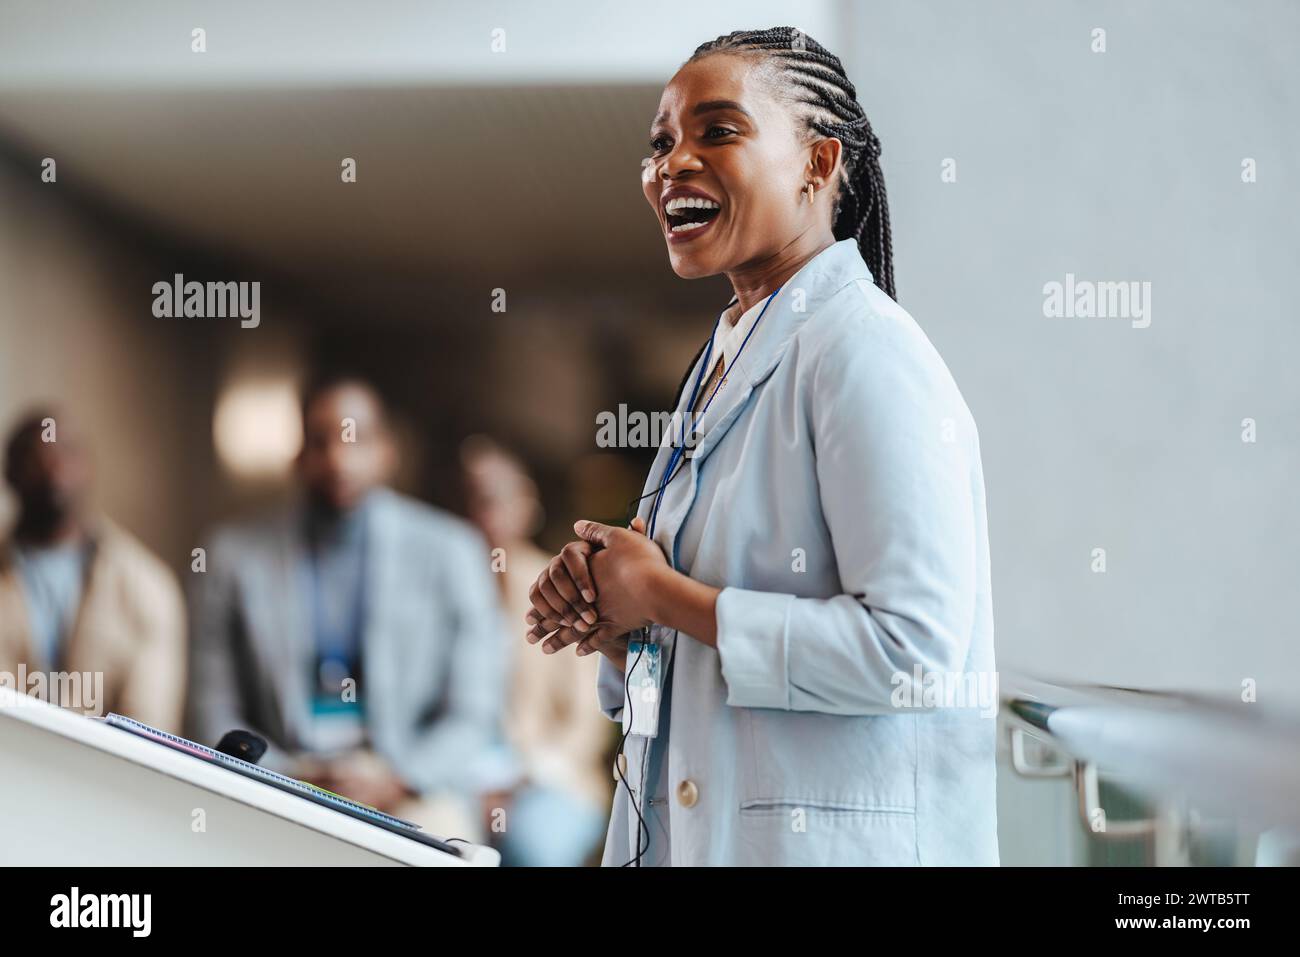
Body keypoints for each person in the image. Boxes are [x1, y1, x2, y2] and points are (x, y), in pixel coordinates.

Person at [524, 27, 998, 866]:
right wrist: (617, 618)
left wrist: (663, 595)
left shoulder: (866, 350)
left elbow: (915, 655)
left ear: (819, 164)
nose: (672, 164)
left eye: (718, 130)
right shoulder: (726, 358)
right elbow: (704, 653)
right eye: (661, 143)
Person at [186, 376, 508, 842]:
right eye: (321, 442)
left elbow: (473, 712)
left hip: (411, 785)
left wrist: (397, 778)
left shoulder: (451, 551)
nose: (339, 458)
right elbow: (213, 707)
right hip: (279, 779)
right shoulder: (232, 555)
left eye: (356, 438)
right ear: (297, 456)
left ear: (387, 452)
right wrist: (288, 776)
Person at [460, 436, 611, 866]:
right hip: (462, 777)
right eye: (471, 500)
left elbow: (588, 719)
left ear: (528, 505)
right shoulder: (442, 592)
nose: (483, 515)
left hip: (552, 778)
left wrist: (518, 782)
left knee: (531, 845)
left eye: (495, 499)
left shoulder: (560, 588)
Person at [0, 409, 185, 730]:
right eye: (35, 457)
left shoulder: (147, 586)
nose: (52, 469)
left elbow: (150, 730)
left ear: (89, 467)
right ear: (10, 473)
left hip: (104, 776)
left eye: (65, 453)